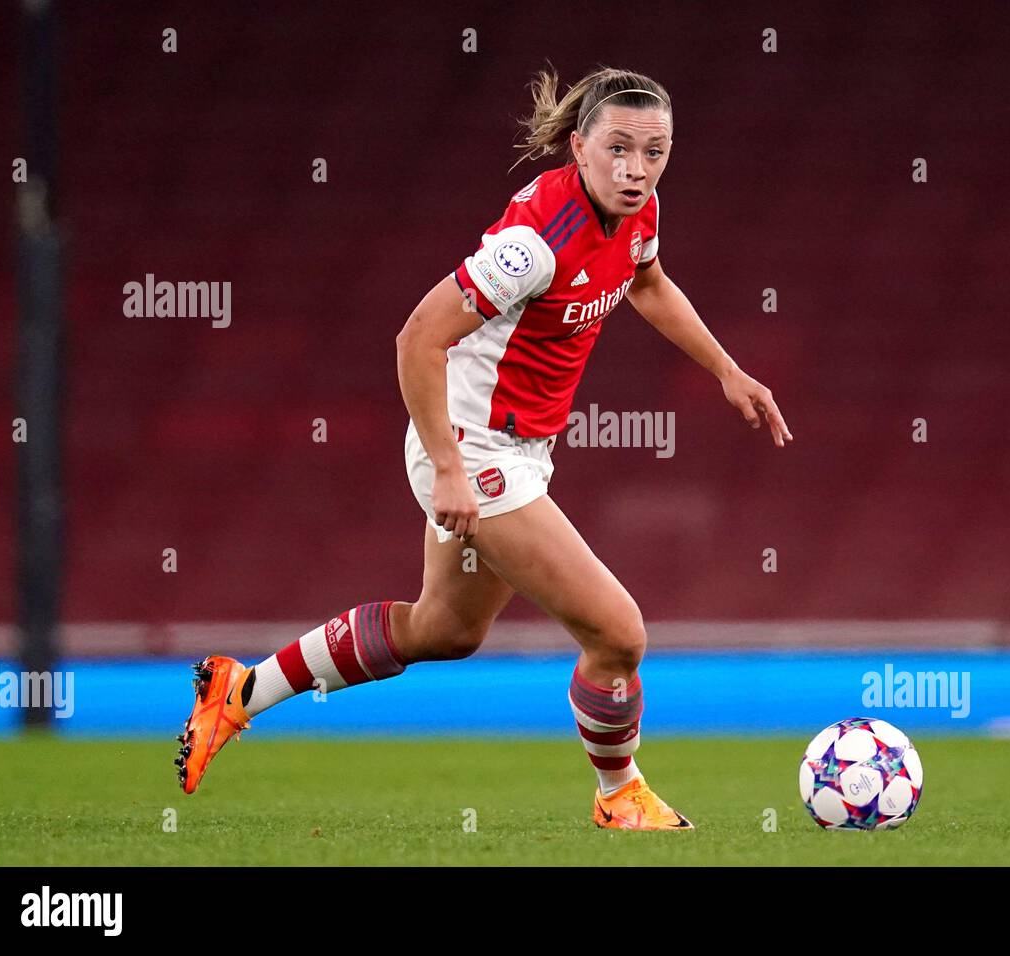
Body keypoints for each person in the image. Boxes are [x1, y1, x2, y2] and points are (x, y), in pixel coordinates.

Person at [176, 65, 792, 830]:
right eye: (619, 150)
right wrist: (448, 469)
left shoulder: (639, 211)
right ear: (579, 147)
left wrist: (727, 370)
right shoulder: (533, 244)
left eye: (656, 151)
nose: (637, 170)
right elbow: (417, 339)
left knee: (445, 630)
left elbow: (649, 282)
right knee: (618, 632)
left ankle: (237, 693)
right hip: (474, 452)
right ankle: (619, 796)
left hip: (520, 452)